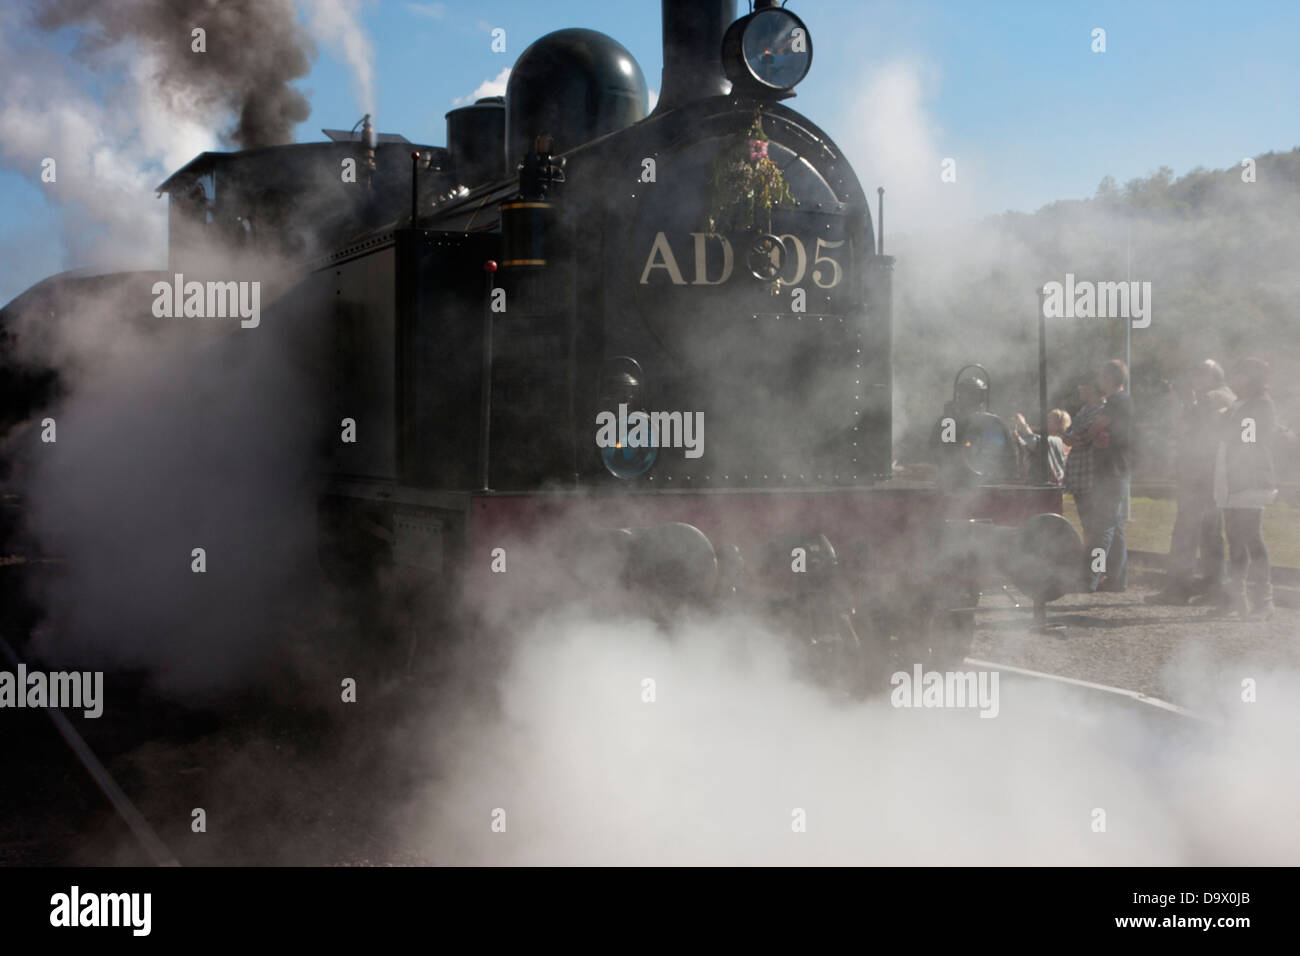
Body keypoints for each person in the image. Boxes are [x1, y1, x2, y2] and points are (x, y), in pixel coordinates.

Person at [1146, 360, 1235, 605]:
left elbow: (1184, 428)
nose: (1193, 379)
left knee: (1185, 532)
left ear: (1210, 376)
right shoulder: (1229, 396)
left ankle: (1177, 589)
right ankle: (1213, 588)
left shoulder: (1208, 399)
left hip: (1197, 474)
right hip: (1216, 476)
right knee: (1211, 534)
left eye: (1197, 374)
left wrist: (1179, 404)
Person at [1214, 357, 1278, 619]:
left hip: (1249, 480)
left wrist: (1227, 420)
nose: (1233, 379)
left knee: (1252, 538)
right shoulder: (1240, 405)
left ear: (1252, 378)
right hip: (1231, 479)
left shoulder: (1261, 404)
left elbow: (1247, 438)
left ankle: (1265, 601)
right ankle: (1235, 598)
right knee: (1235, 540)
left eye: (1239, 374)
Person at [1083, 360, 1133, 592]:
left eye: (1102, 376)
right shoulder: (1119, 401)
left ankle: (1091, 578)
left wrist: (1084, 434)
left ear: (1111, 378)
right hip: (1115, 470)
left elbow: (1095, 427)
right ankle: (1117, 579)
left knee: (1102, 527)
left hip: (1111, 471)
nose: (1098, 380)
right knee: (1116, 525)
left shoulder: (1117, 402)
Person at [1012, 409, 1070, 484]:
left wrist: (1023, 424)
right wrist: (1018, 438)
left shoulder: (1059, 441)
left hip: (1053, 487)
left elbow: (1037, 444)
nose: (1045, 423)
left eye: (1049, 421)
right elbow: (1032, 448)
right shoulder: (1050, 440)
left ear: (1059, 425)